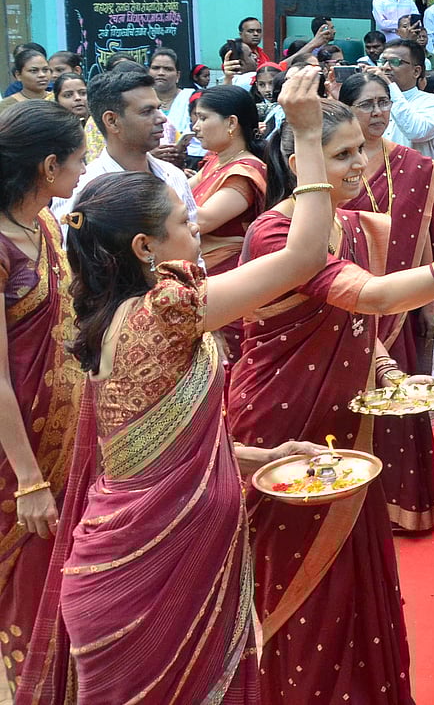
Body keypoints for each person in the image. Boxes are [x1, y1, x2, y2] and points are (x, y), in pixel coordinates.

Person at [17, 68, 334, 704]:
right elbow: (304, 257)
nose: (199, 236)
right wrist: (306, 134)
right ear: (144, 247)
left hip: (127, 566)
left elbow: (158, 451)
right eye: (186, 227)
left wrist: (259, 458)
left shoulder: (104, 313)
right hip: (150, 573)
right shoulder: (166, 312)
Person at [227, 93, 434, 705]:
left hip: (346, 422)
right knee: (295, 583)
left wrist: (381, 366)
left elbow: (353, 323)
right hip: (282, 424)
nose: (359, 163)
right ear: (301, 163)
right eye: (342, 153)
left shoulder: (348, 225)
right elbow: (370, 299)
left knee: (352, 576)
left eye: (359, 149)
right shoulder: (277, 233)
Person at [336, 71, 434, 527]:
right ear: (347, 109)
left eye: (384, 103)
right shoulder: (333, 167)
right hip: (344, 300)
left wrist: (426, 302)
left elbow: (422, 237)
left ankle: (401, 507)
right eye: (367, 105)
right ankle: (351, 502)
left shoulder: (415, 166)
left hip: (398, 305)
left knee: (398, 400)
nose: (379, 113)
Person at [0, 101, 87, 695]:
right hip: (17, 459)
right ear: (48, 166)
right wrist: (29, 480)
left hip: (73, 442)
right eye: (79, 161)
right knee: (25, 587)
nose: (84, 172)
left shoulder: (49, 227)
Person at [53, 69, 200, 228]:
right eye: (147, 111)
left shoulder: (173, 177)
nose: (162, 118)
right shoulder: (79, 190)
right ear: (112, 121)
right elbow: (66, 250)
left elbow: (193, 244)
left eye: (158, 108)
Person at [189, 84, 268, 286]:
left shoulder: (245, 172)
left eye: (203, 118)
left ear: (232, 123)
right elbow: (181, 188)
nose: (195, 126)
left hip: (225, 277)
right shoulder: (217, 160)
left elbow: (203, 221)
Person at [379, 40, 434, 160]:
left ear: (416, 71)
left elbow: (416, 132)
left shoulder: (432, 102)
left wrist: (390, 86)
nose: (385, 67)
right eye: (382, 61)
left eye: (394, 62)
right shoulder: (374, 102)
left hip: (415, 177)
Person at [148, 47, 198, 167]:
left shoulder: (191, 98)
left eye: (168, 69)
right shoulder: (140, 102)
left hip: (190, 162)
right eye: (155, 68)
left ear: (178, 75)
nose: (161, 73)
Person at [0, 50, 50, 115]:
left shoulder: (58, 99)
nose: (42, 75)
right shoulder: (6, 107)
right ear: (18, 75)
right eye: (33, 71)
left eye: (45, 70)